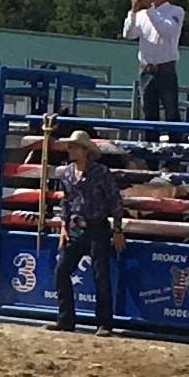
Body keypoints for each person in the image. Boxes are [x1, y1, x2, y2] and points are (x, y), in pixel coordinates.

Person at [51, 129, 124, 335]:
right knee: (61, 271)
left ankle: (104, 323)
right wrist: (64, 227)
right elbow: (66, 201)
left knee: (101, 276)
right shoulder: (66, 173)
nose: (71, 150)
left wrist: (117, 229)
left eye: (74, 147)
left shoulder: (100, 172)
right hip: (76, 227)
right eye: (70, 147)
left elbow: (114, 201)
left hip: (97, 226)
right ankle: (66, 319)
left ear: (85, 151)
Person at [122, 0, 184, 122]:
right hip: (146, 70)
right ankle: (150, 144)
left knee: (171, 113)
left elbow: (165, 31)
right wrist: (133, 12)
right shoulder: (142, 15)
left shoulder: (175, 12)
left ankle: (175, 143)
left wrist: (149, 9)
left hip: (165, 69)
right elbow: (128, 34)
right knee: (149, 114)